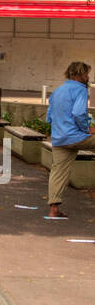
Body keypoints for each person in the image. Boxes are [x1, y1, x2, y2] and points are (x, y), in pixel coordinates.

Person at [44, 60, 95, 220]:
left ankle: (54, 209)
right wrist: (87, 129)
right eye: (86, 74)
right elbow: (79, 113)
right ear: (78, 75)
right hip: (76, 137)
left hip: (59, 139)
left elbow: (49, 117)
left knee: (58, 172)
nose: (88, 77)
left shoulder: (57, 91)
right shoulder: (81, 90)